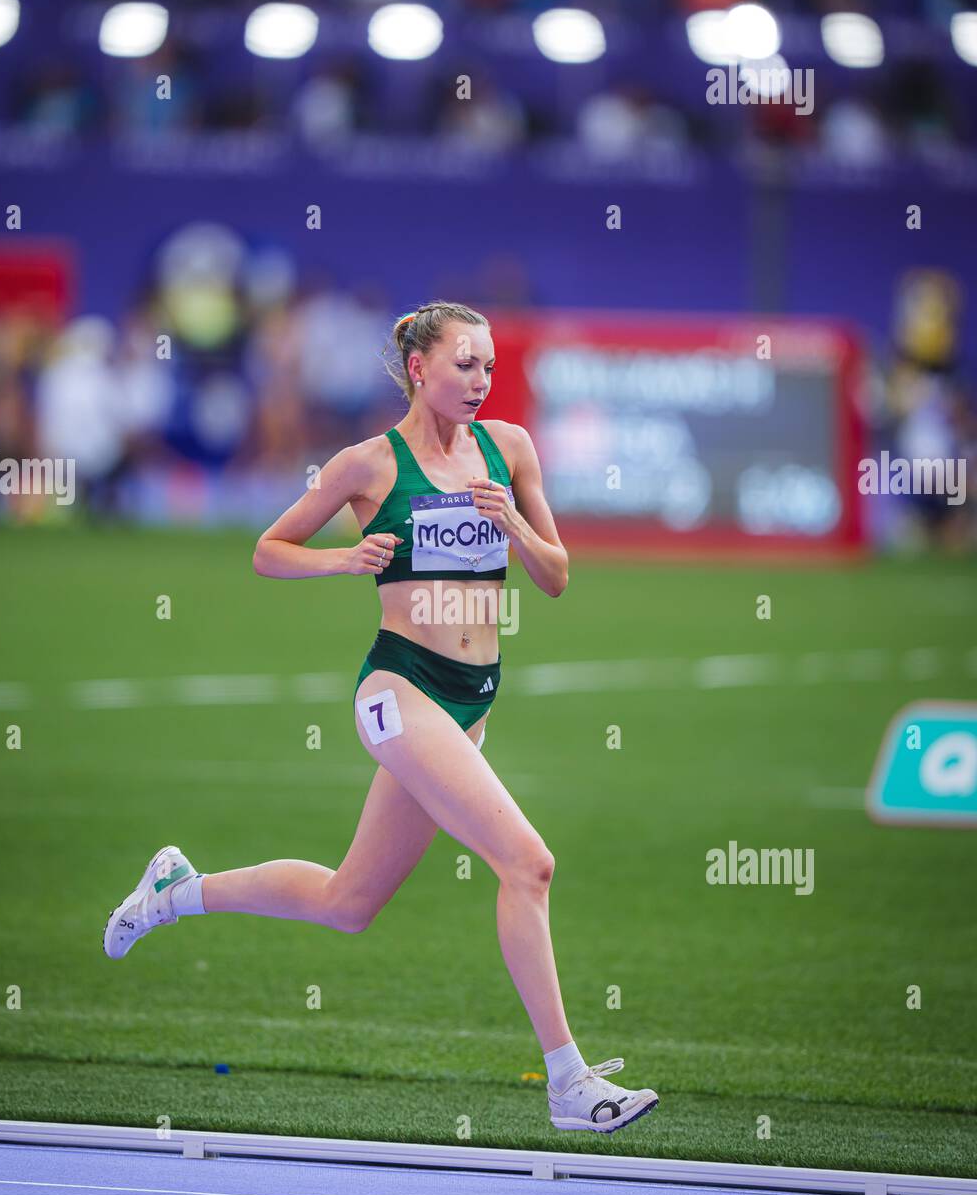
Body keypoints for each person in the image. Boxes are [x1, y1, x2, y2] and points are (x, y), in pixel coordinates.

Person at [103, 300, 659, 1134]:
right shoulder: (367, 464)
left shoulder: (511, 450)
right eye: (464, 365)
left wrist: (512, 525)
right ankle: (569, 1083)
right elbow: (268, 549)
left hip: (471, 702)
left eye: (488, 367)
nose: (479, 380)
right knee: (527, 863)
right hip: (398, 689)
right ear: (418, 370)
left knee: (348, 902)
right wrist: (344, 560)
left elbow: (557, 577)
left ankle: (180, 892)